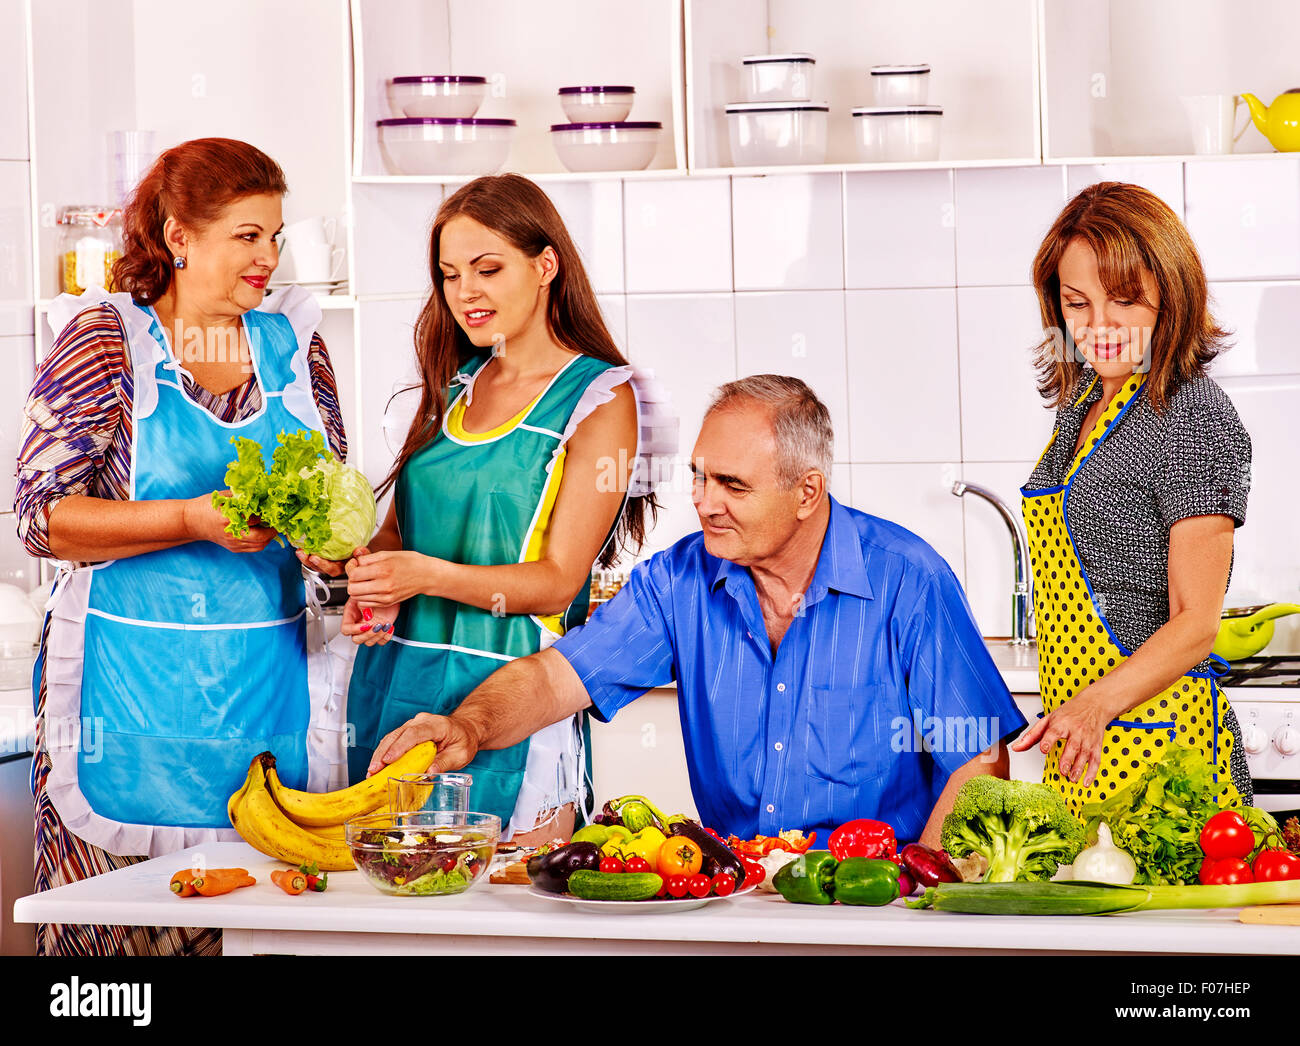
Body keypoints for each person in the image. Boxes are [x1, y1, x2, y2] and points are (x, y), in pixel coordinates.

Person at [363, 376, 1027, 848]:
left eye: (732, 485)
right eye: (700, 478)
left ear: (807, 491)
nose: (705, 503)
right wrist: (469, 728)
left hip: (871, 896)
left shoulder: (909, 580)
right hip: (735, 894)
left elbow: (977, 762)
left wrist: (916, 902)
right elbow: (553, 678)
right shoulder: (679, 579)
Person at [15, 138, 349, 955]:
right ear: (178, 238)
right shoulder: (105, 343)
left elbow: (334, 514)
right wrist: (191, 519)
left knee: (260, 938)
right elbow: (40, 517)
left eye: (274, 235)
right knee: (114, 975)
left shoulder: (294, 347)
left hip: (263, 704)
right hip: (125, 702)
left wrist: (329, 553)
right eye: (246, 235)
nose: (269, 257)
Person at [307, 174, 668, 842]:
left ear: (545, 265)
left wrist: (426, 576)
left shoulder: (598, 397)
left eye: (487, 268)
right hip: (395, 680)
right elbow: (396, 537)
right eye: (449, 274)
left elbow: (559, 581)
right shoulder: (455, 383)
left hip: (514, 695)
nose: (465, 292)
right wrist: (366, 575)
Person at [1011, 181, 1252, 816]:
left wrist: (1095, 703)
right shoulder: (1084, 407)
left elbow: (1197, 623)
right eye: (1077, 303)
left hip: (1165, 748)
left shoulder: (1193, 416)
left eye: (1125, 300)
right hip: (1085, 745)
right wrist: (1080, 711)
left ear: (1171, 294)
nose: (1099, 328)